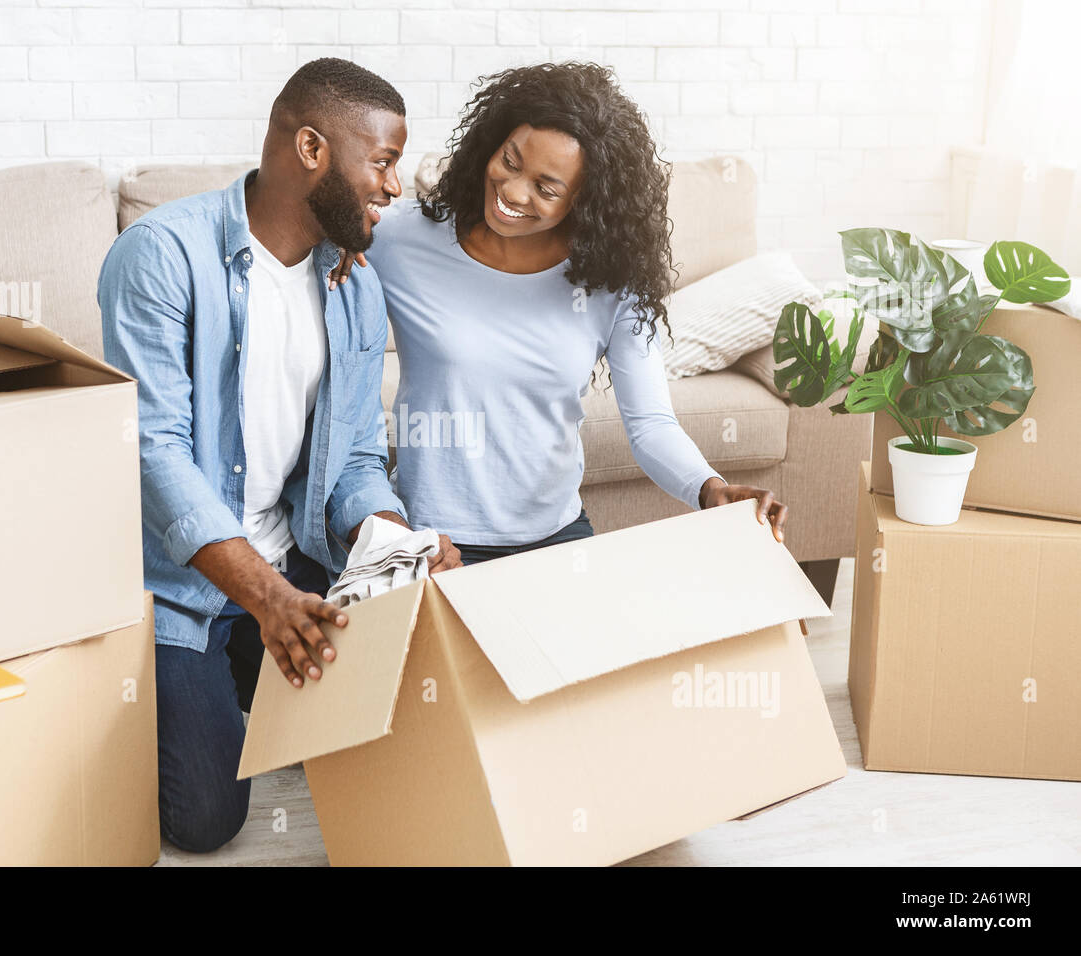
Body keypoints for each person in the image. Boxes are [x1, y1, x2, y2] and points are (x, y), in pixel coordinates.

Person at [98, 58, 460, 854]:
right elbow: (153, 453)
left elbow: (359, 455)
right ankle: (176, 682)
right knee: (204, 819)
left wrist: (395, 542)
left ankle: (241, 682)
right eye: (384, 159)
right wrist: (265, 600)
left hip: (289, 560)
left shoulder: (352, 283)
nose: (393, 187)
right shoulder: (161, 254)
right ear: (311, 148)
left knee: (407, 724)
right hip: (182, 582)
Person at [334, 62, 790, 565]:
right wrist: (338, 236)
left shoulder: (612, 282)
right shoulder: (402, 238)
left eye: (546, 189)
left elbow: (651, 423)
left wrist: (710, 489)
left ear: (585, 202)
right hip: (433, 544)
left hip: (557, 538)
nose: (511, 191)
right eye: (510, 160)